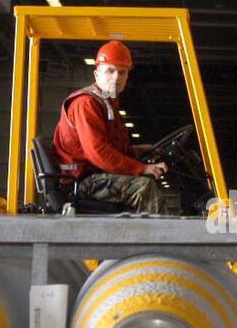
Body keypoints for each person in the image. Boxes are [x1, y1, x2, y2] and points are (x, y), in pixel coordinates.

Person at [51, 40, 178, 214]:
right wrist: (141, 168)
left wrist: (138, 150)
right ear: (97, 74)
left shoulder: (108, 103)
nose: (116, 77)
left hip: (95, 176)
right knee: (145, 188)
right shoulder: (86, 103)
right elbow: (98, 153)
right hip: (81, 182)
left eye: (122, 72)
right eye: (110, 70)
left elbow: (114, 147)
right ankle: (159, 240)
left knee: (148, 181)